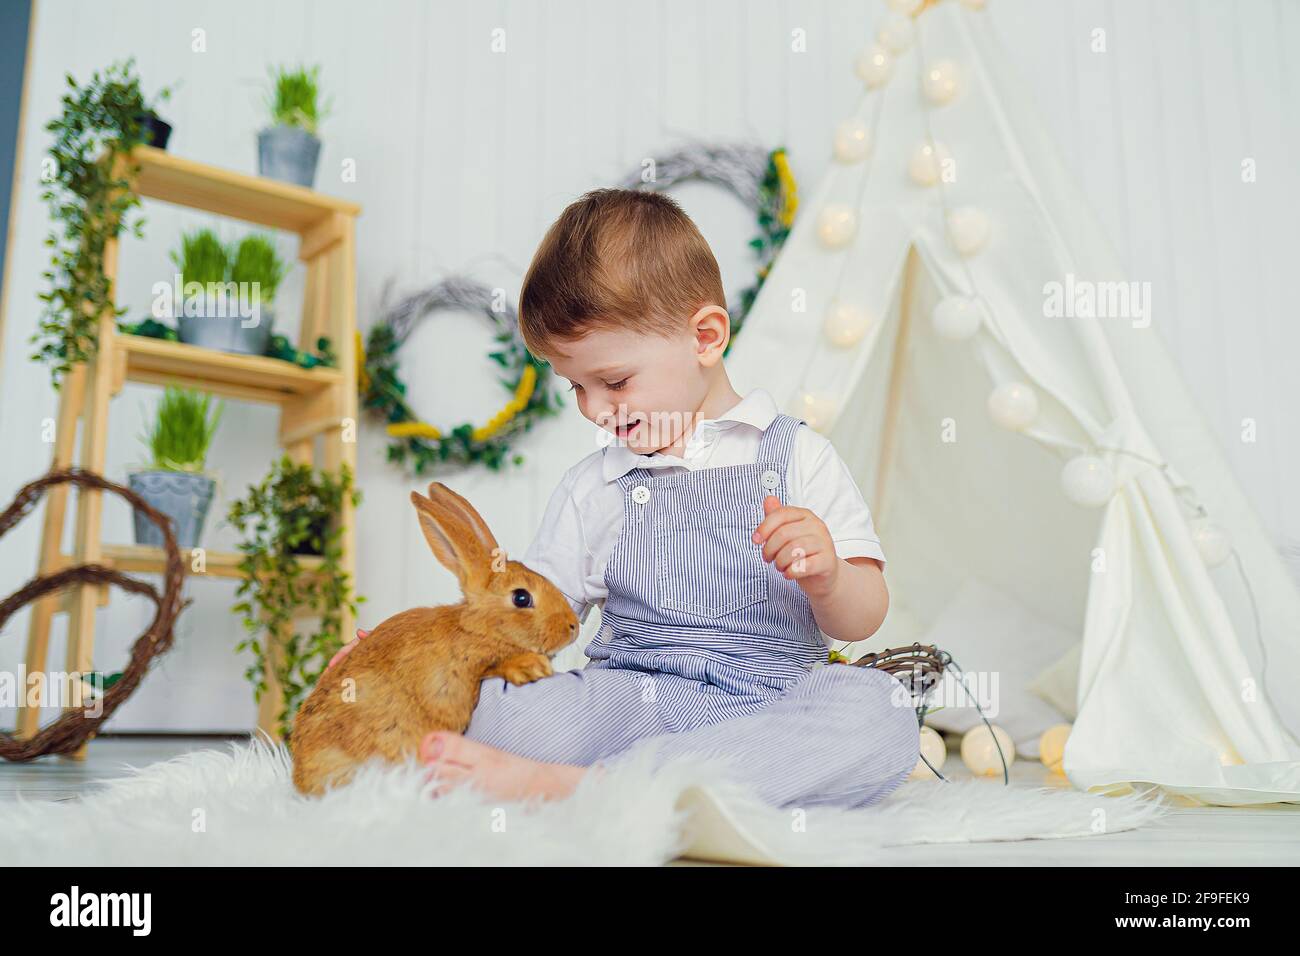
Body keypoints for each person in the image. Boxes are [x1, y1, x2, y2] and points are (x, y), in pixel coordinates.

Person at [331, 188, 919, 807]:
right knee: (500, 709)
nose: (592, 408)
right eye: (574, 387)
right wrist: (402, 659)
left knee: (880, 711)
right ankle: (647, 785)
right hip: (627, 703)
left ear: (705, 336)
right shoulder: (596, 485)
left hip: (771, 705)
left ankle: (592, 788)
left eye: (612, 381)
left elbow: (864, 617)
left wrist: (828, 578)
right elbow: (521, 623)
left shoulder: (799, 456)